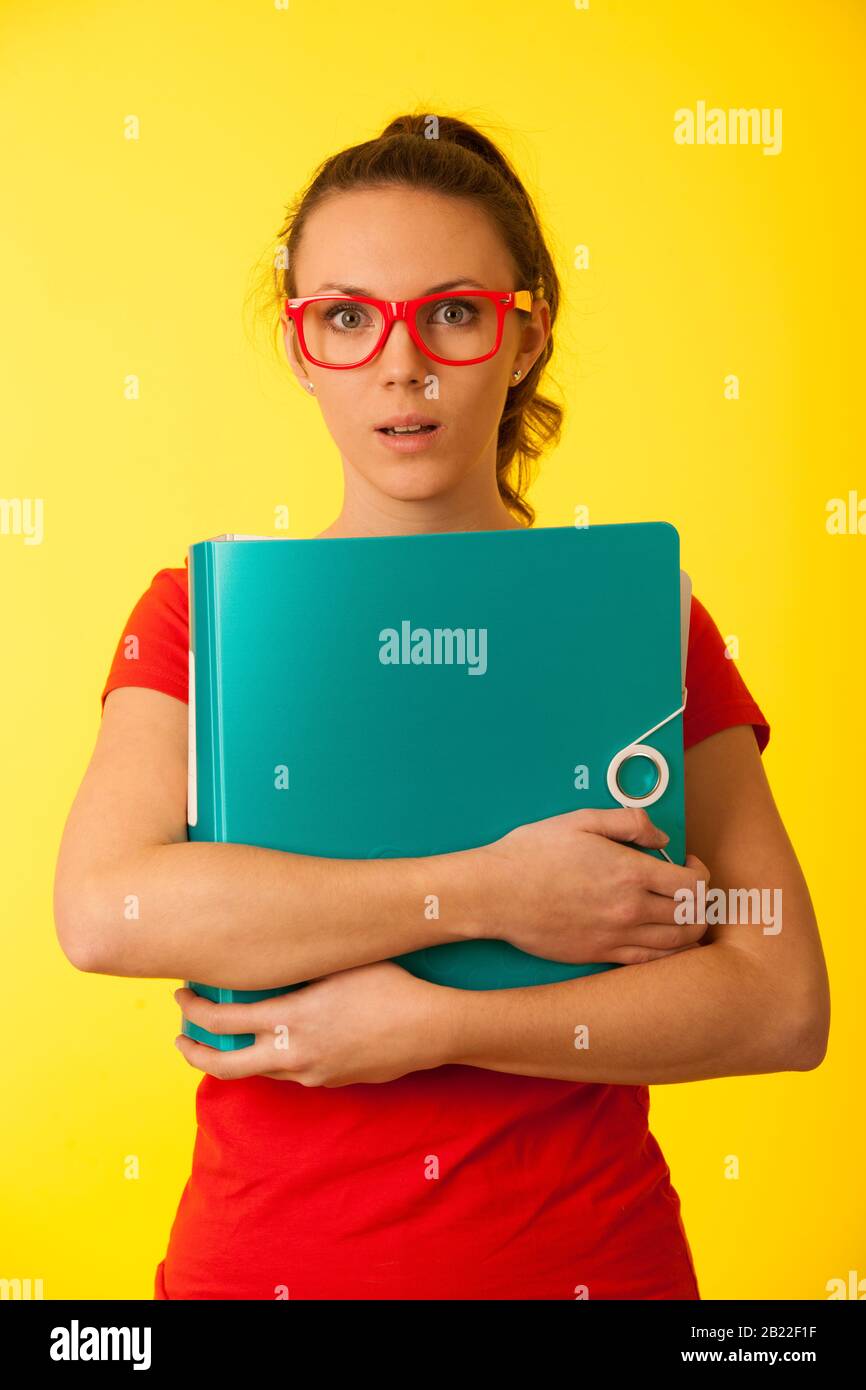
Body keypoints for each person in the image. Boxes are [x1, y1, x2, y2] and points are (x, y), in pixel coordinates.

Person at [53, 112, 829, 1301]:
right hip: (267, 1267)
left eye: (452, 312)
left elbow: (778, 1005)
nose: (400, 365)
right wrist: (486, 893)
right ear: (303, 346)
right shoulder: (200, 618)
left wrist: (433, 1026)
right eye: (350, 317)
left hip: (585, 1264)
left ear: (523, 337)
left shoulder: (639, 618)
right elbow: (109, 912)